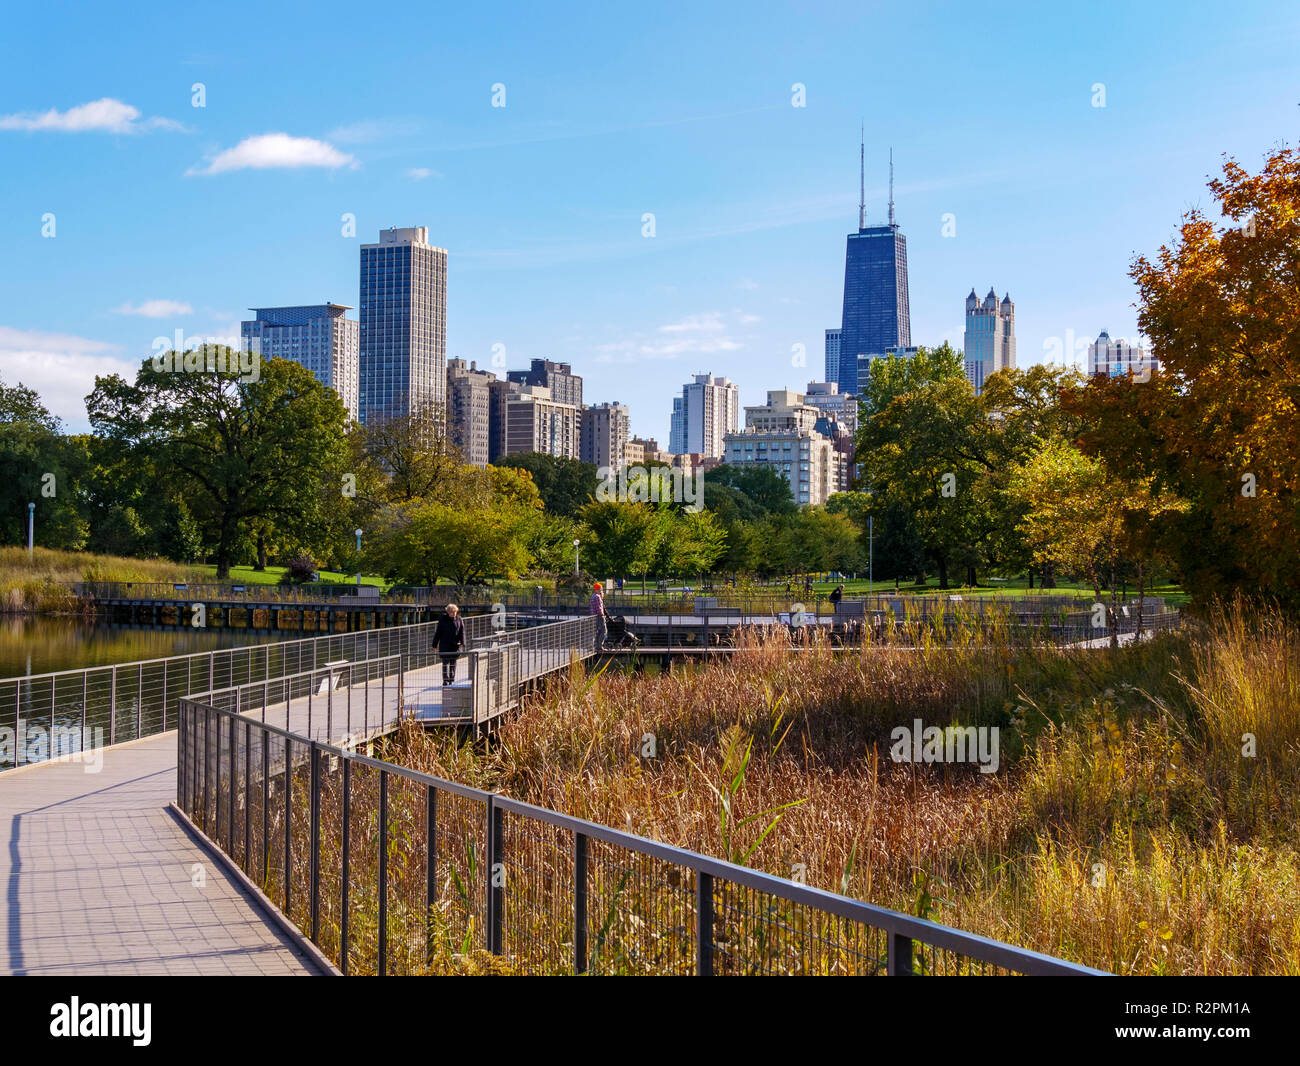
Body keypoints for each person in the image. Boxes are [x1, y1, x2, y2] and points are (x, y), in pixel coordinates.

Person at [432, 603, 466, 685]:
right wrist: (434, 644)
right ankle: (445, 680)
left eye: (455, 612)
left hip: (455, 645)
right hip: (445, 645)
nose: (454, 613)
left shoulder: (459, 619)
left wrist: (462, 642)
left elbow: (462, 632)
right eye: (452, 612)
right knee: (445, 663)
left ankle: (452, 679)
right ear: (448, 612)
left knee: (453, 663)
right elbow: (438, 633)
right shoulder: (443, 620)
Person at [590, 582, 608, 650]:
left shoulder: (593, 596)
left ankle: (596, 646)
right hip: (599, 616)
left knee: (597, 631)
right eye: (601, 589)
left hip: (594, 616)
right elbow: (599, 608)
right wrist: (603, 615)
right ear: (597, 589)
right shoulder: (597, 597)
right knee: (604, 631)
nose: (602, 590)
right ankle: (600, 646)